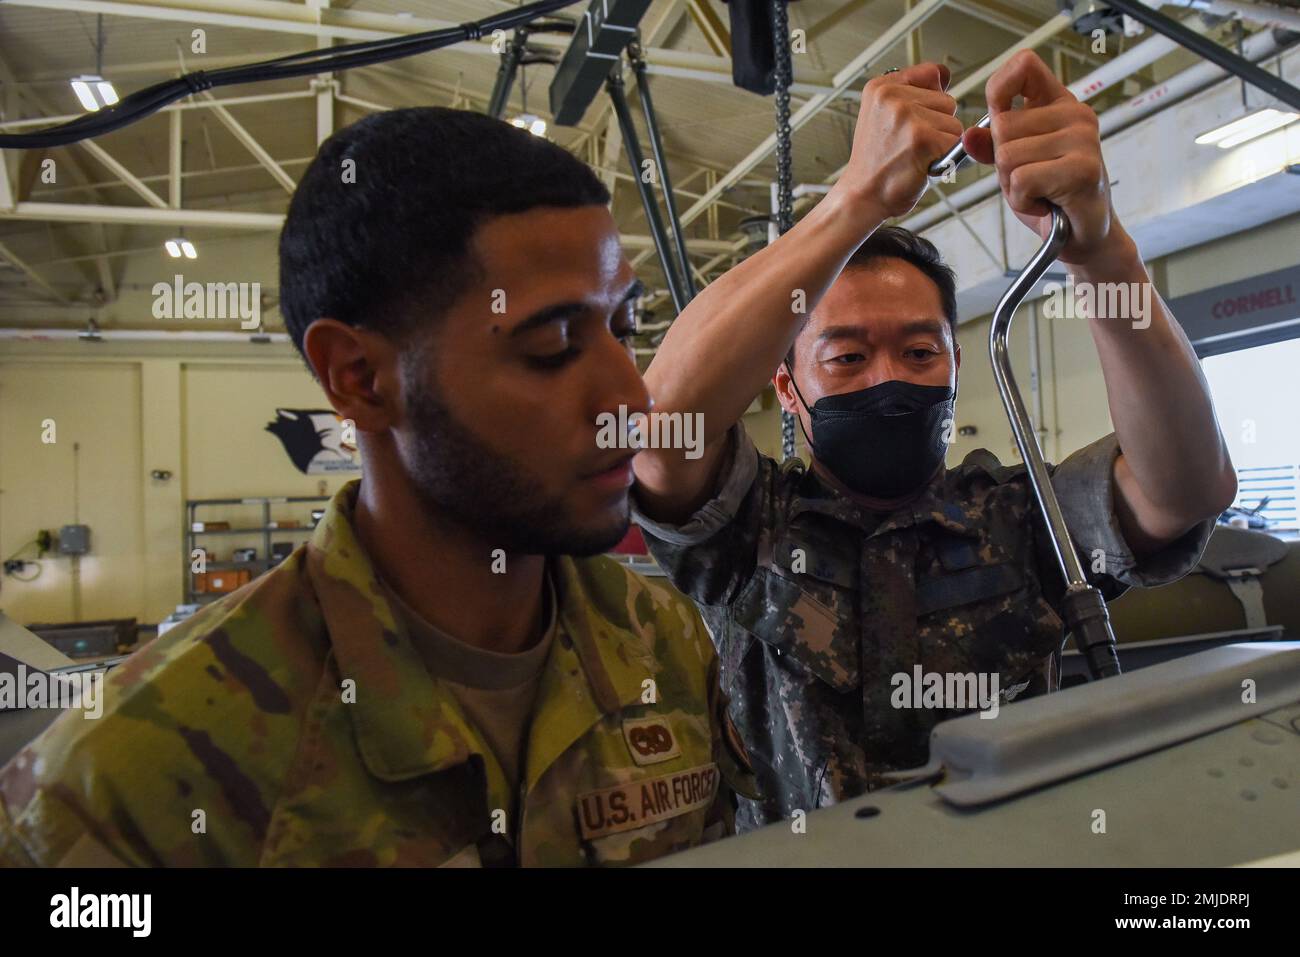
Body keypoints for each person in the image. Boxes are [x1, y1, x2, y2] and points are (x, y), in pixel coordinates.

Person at [0, 108, 753, 867]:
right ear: (358, 378)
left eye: (624, 326)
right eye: (554, 344)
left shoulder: (668, 645)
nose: (631, 399)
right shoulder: (128, 782)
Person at [631, 53, 1237, 831]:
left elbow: (1185, 488)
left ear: (956, 362)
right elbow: (659, 434)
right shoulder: (751, 530)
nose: (889, 380)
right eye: (846, 357)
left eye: (920, 352)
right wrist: (853, 201)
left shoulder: (1025, 519)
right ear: (787, 388)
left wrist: (1099, 251)